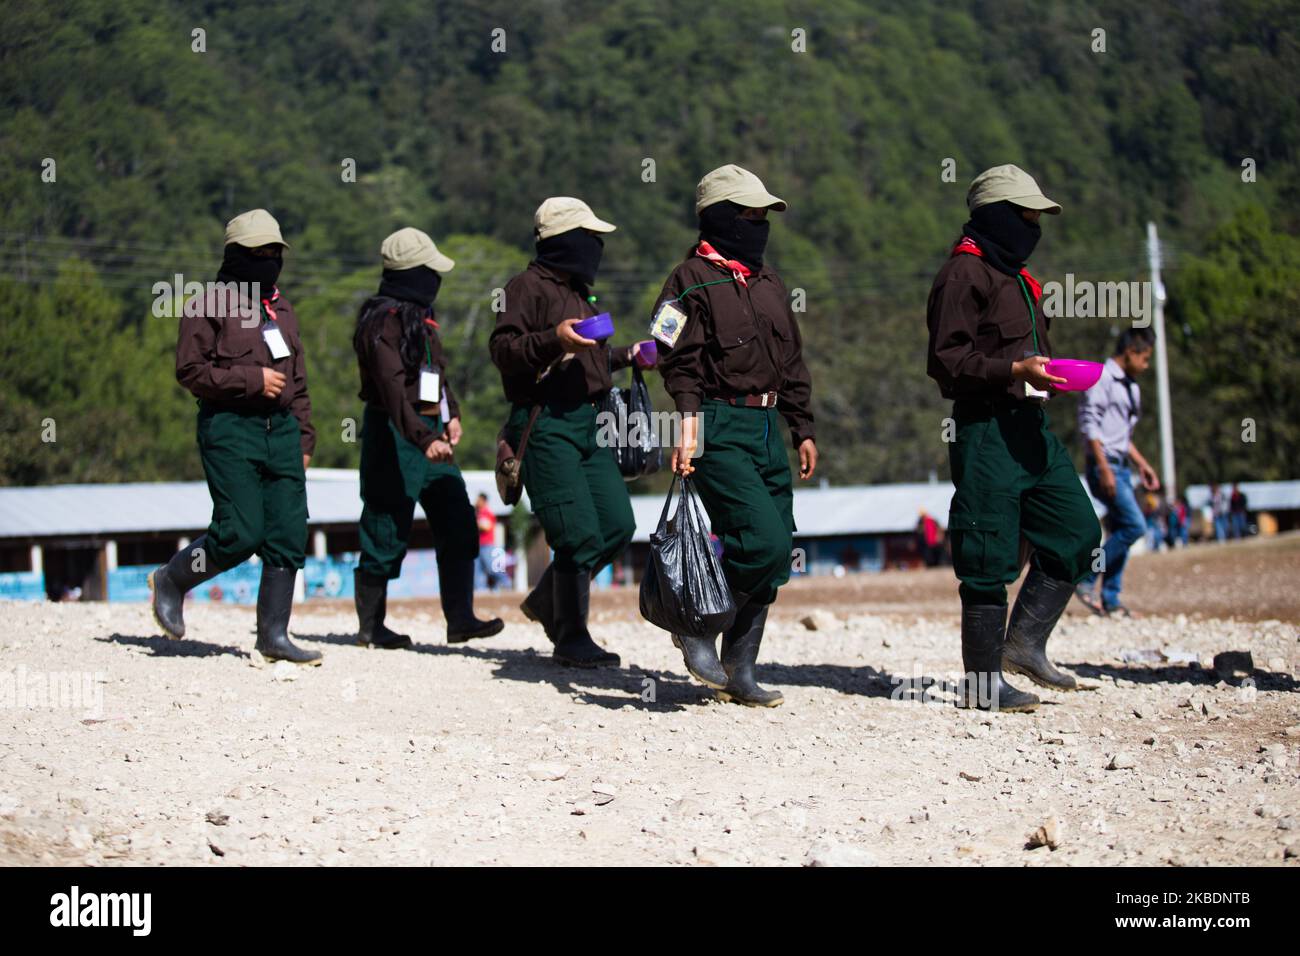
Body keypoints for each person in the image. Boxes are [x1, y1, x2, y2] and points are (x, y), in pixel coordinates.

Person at [926, 165, 1101, 713]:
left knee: (1077, 531)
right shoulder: (963, 275)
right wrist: (1014, 371)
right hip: (985, 429)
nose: (1034, 225)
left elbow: (1030, 358)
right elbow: (946, 363)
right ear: (996, 215)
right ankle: (982, 685)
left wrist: (1045, 376)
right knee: (987, 552)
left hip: (1031, 426)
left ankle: (1024, 644)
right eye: (1026, 214)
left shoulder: (1017, 277)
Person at [657, 164, 817, 707]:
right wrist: (687, 419)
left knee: (778, 551)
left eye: (763, 214)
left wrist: (802, 427)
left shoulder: (770, 283)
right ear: (720, 218)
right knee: (760, 541)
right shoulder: (687, 280)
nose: (759, 223)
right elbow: (673, 356)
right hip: (718, 425)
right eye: (749, 214)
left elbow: (791, 361)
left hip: (770, 426)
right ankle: (695, 624)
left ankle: (739, 669)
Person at [150, 209, 320, 664]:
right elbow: (190, 369)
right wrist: (250, 380)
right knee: (240, 533)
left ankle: (274, 637)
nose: (268, 260)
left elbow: (298, 382)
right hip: (230, 428)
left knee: (288, 531)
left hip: (282, 432)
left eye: (274, 252)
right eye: (258, 253)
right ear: (235, 255)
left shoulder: (282, 307)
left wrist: (305, 439)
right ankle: (173, 578)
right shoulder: (207, 303)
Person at [490, 197, 653, 668]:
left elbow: (588, 360)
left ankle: (547, 602)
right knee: (576, 534)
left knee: (617, 524)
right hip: (547, 423)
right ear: (563, 240)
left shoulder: (580, 292)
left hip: (590, 422)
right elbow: (502, 349)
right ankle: (571, 637)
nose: (596, 246)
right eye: (590, 237)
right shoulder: (525, 287)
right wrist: (552, 339)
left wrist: (627, 356)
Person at [351, 228, 503, 648]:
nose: (437, 280)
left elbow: (434, 375)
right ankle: (370, 627)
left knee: (457, 518)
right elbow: (392, 388)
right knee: (385, 527)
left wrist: (450, 414)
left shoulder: (422, 319)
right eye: (431, 271)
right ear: (412, 272)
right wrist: (421, 438)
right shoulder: (381, 321)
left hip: (431, 432)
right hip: (395, 434)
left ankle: (461, 619)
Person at [1074, 328, 1158, 617]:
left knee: (1124, 528)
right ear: (1131, 351)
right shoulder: (1101, 379)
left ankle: (1111, 598)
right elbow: (1090, 426)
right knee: (1135, 526)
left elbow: (1121, 436)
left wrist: (1143, 464)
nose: (1147, 365)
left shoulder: (1130, 386)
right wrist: (1104, 467)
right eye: (1145, 358)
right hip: (1105, 465)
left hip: (1122, 466)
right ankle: (1086, 580)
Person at [475, 493, 510, 590]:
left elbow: (486, 526)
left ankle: (506, 582)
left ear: (483, 501)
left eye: (478, 500)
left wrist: (474, 524)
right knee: (478, 571)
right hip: (478, 545)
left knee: (491, 568)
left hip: (487, 545)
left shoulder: (487, 512)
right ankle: (480, 592)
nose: (476, 502)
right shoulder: (478, 513)